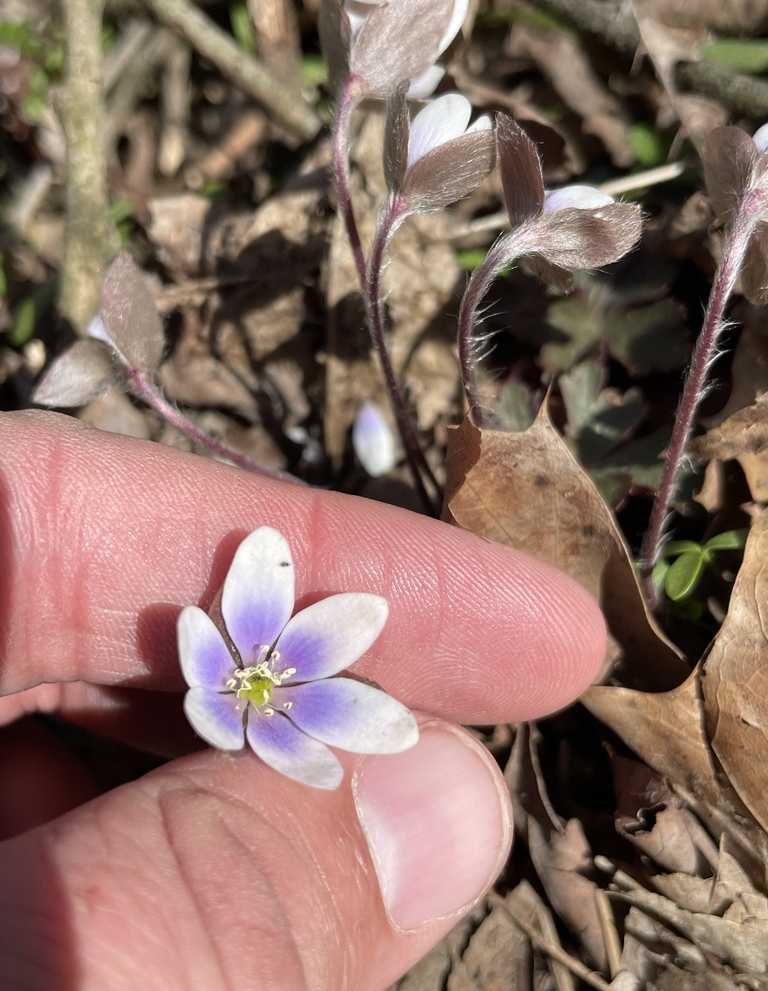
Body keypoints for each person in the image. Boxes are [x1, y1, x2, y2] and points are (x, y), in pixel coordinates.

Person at [0, 410, 606, 989]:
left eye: (263, 680)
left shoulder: (293, 687)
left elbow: (366, 703)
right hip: (213, 690)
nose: (260, 683)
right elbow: (257, 563)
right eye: (256, 681)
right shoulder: (208, 665)